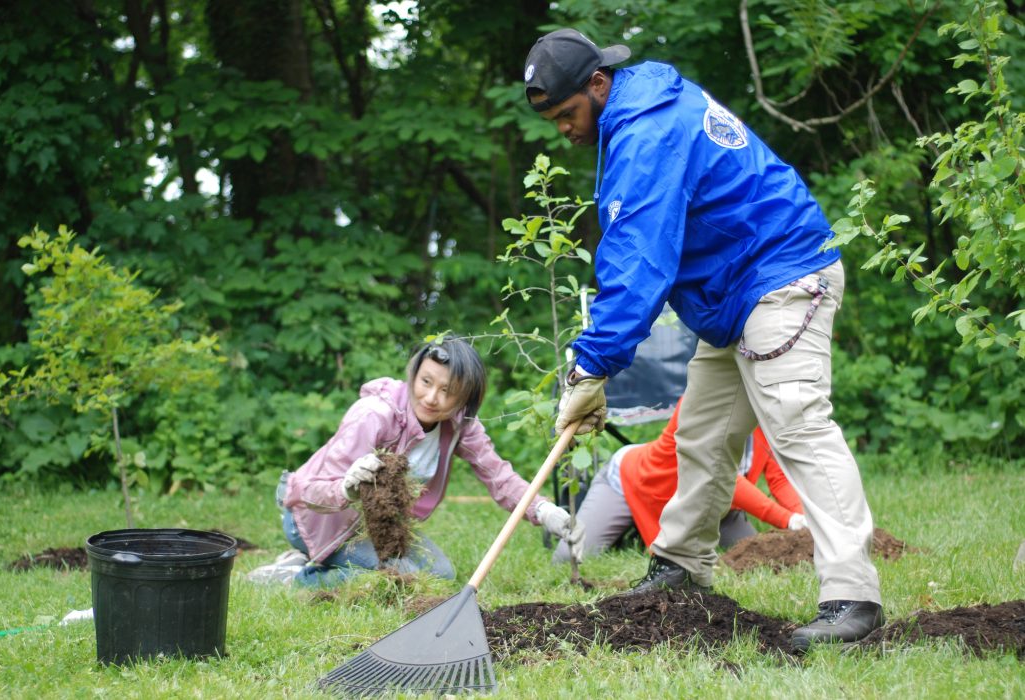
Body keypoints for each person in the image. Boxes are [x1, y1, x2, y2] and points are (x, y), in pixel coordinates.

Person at [522, 28, 883, 651]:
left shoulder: (646, 131)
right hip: (734, 295)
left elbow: (639, 260)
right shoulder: (640, 109)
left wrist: (590, 367)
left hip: (780, 277)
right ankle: (682, 569)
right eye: (554, 118)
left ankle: (853, 597)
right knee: (703, 434)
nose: (563, 129)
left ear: (597, 84)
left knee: (798, 426)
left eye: (567, 113)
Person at [248, 336, 586, 587]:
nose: (431, 397)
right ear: (414, 373)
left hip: (377, 527)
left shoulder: (459, 425)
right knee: (404, 578)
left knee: (440, 574)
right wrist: (346, 488)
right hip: (318, 519)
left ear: (464, 398)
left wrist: (545, 511)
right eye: (426, 382)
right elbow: (306, 489)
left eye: (447, 391)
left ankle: (311, 562)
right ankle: (295, 577)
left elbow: (498, 476)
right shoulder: (373, 415)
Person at [553, 398, 806, 563]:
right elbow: (720, 476)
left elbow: (780, 479)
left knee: (755, 555)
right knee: (568, 558)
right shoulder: (702, 403)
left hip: (712, 503)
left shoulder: (765, 417)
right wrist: (787, 520)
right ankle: (637, 530)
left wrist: (804, 521)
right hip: (638, 483)